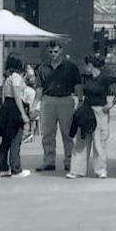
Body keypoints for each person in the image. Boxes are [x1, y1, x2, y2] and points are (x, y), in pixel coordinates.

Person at [36, 41, 82, 173]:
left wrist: (80, 100)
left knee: (67, 133)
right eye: (50, 52)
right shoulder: (42, 67)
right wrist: (36, 105)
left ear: (60, 50)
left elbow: (77, 84)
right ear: (47, 52)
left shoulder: (70, 66)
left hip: (65, 99)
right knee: (48, 133)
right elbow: (39, 88)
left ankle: (69, 161)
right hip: (48, 100)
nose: (53, 54)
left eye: (55, 51)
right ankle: (49, 161)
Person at [69, 55, 116, 179]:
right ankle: (76, 170)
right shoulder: (87, 78)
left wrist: (111, 104)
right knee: (82, 139)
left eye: (86, 65)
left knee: (99, 141)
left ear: (90, 65)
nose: (85, 68)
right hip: (87, 109)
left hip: (100, 110)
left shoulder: (105, 78)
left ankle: (100, 170)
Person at [0, 56, 31, 178]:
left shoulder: (8, 76)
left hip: (6, 107)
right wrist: (23, 113)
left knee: (6, 139)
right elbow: (17, 95)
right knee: (16, 139)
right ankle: (16, 168)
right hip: (14, 107)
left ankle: (3, 168)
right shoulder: (16, 76)